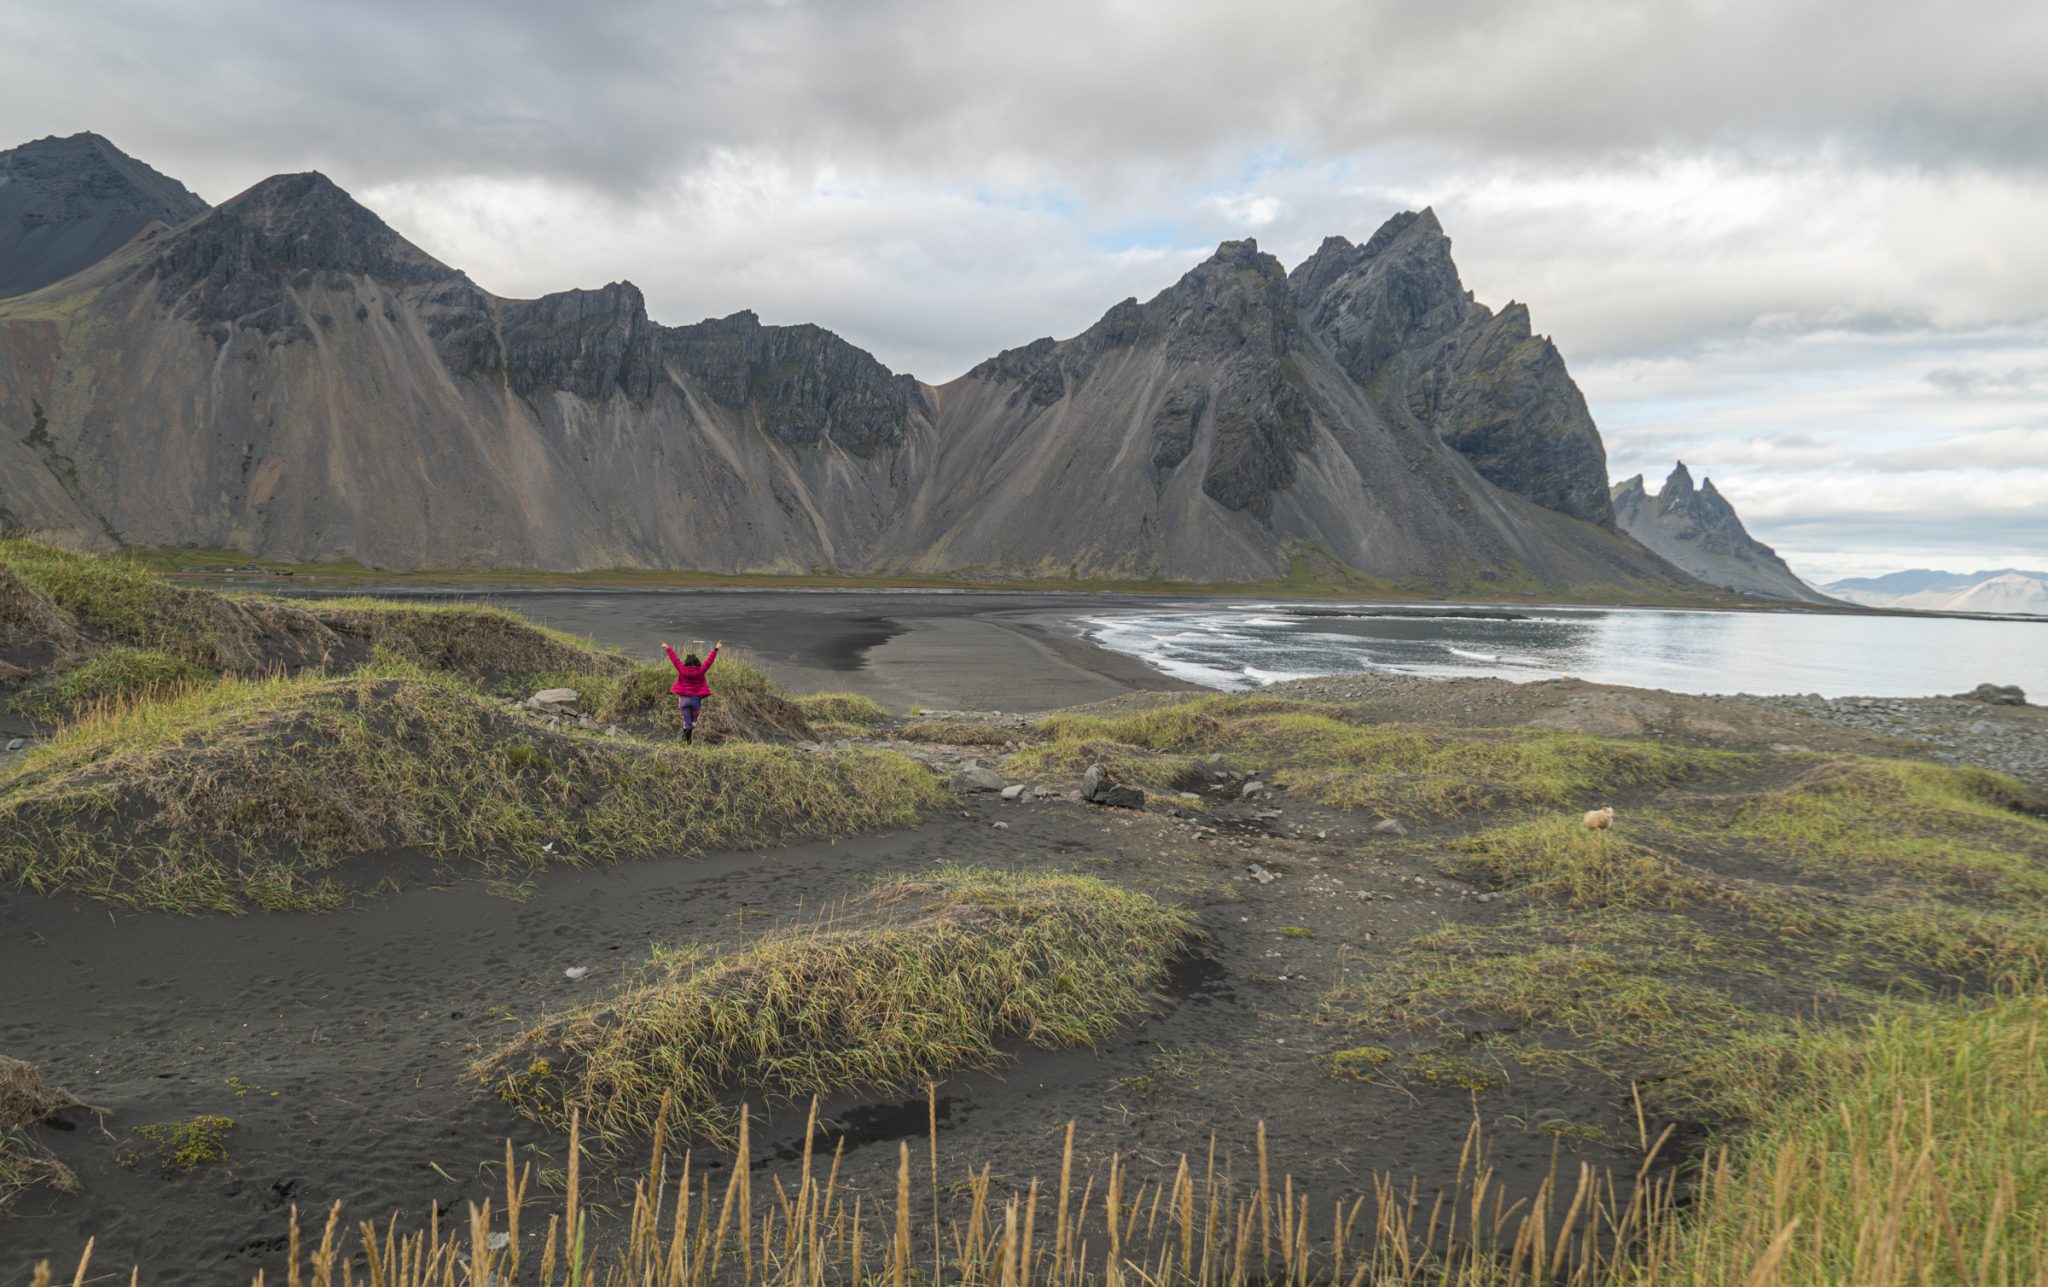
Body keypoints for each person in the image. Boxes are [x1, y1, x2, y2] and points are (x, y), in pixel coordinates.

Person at [662, 639, 722, 743]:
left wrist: (667, 648)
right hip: (695, 701)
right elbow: (709, 661)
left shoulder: (682, 669)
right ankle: (694, 722)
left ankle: (687, 741)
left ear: (686, 663)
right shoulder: (701, 671)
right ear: (697, 662)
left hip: (684, 700)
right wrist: (716, 649)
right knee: (695, 718)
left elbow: (674, 659)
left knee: (686, 722)